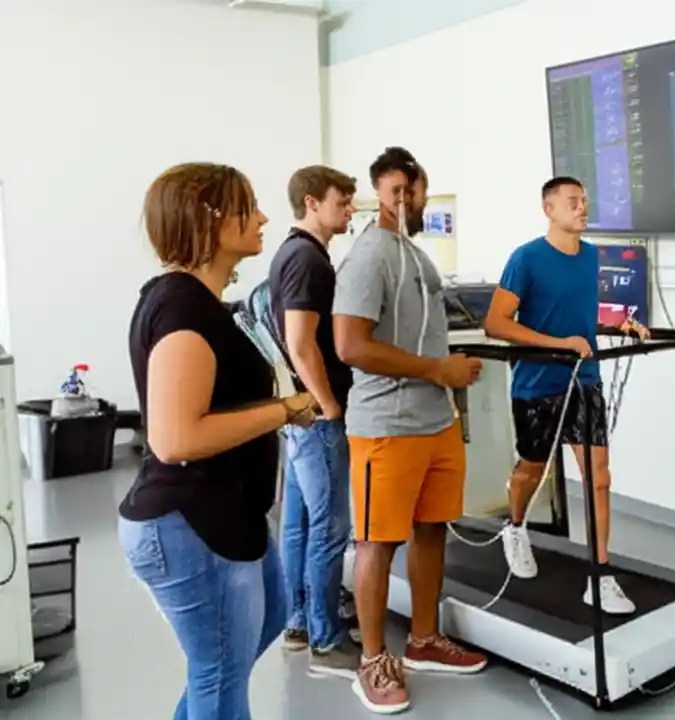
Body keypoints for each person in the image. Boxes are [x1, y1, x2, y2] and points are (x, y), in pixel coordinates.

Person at [118, 162, 318, 718]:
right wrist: (281, 410)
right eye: (247, 206)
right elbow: (176, 436)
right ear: (207, 219)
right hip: (188, 521)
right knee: (221, 671)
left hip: (227, 513)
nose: (262, 218)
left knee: (259, 627)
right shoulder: (182, 309)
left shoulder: (205, 307)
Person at [333, 146, 486, 714]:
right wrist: (436, 370)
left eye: (412, 192)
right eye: (401, 193)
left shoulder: (416, 256)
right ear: (389, 193)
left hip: (435, 421)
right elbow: (351, 345)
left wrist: (448, 372)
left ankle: (423, 639)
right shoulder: (369, 256)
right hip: (386, 427)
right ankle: (372, 658)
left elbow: (428, 331)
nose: (411, 201)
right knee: (378, 542)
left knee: (432, 529)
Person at [484, 176, 648, 615]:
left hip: (584, 378)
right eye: (573, 202)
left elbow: (581, 315)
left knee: (599, 475)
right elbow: (496, 323)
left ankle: (600, 575)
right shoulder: (527, 259)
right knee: (531, 471)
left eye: (584, 202)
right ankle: (515, 527)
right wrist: (555, 345)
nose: (582, 208)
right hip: (538, 383)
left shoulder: (591, 256)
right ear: (549, 209)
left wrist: (619, 326)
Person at [269, 165, 361, 677]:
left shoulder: (293, 254)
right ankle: (327, 638)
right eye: (340, 202)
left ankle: (300, 622)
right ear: (310, 203)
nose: (348, 211)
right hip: (317, 415)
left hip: (300, 414)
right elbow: (302, 344)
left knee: (299, 524)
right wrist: (329, 405)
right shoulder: (307, 260)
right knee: (329, 527)